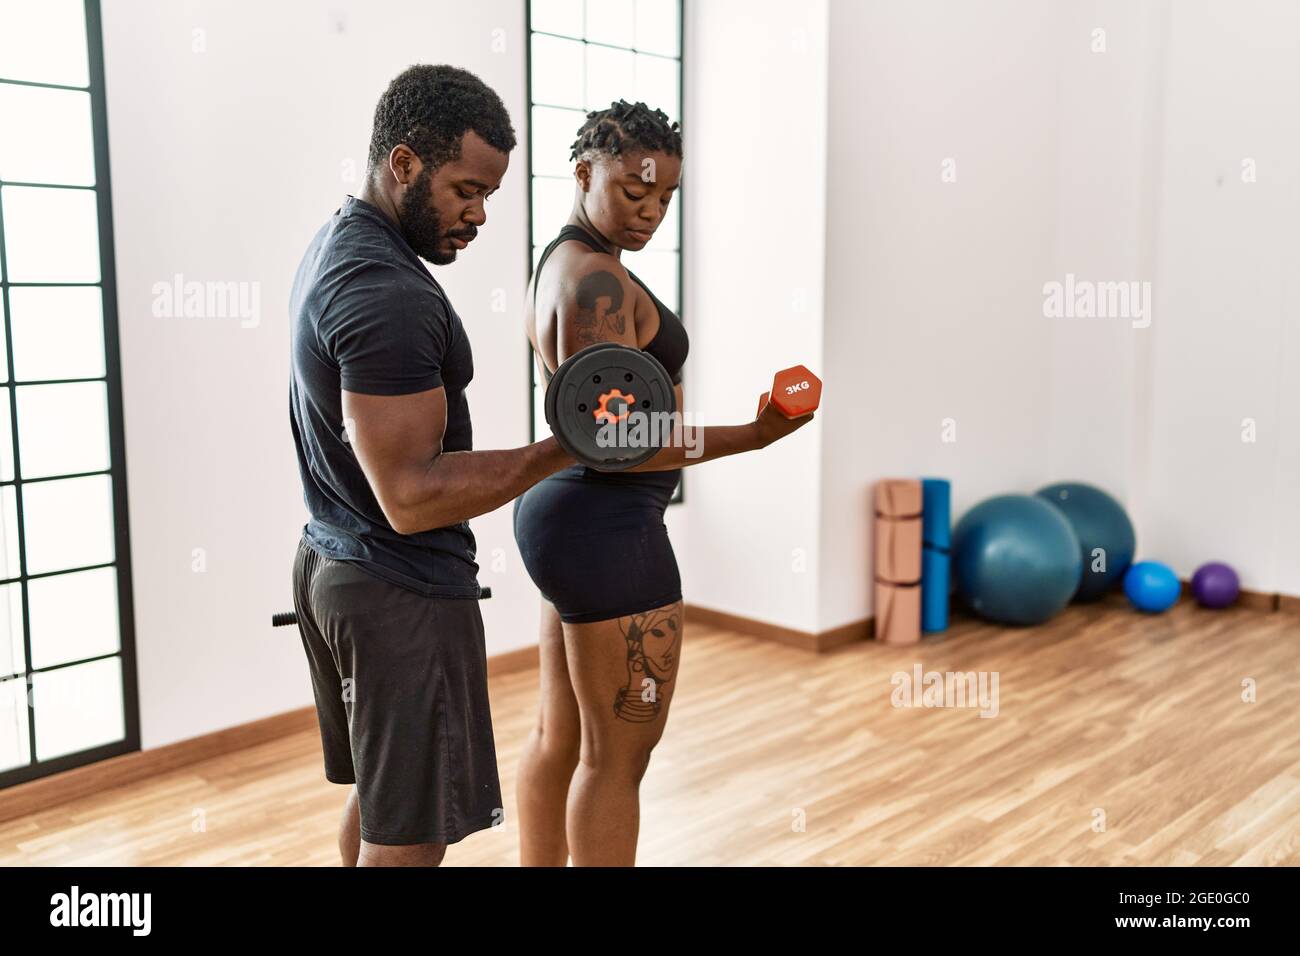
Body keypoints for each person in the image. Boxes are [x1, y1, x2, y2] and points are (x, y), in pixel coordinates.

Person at [513, 100, 814, 866]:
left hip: (565, 519)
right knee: (617, 764)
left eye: (664, 198)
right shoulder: (597, 287)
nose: (648, 213)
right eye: (631, 193)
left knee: (561, 735)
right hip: (607, 527)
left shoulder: (567, 263)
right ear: (583, 172)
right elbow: (623, 444)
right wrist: (757, 433)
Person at [288, 65, 573, 867]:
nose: (479, 214)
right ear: (404, 163)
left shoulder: (339, 243)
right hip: (395, 588)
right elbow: (411, 497)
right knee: (410, 843)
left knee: (388, 806)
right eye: (465, 190)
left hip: (336, 557)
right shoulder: (388, 293)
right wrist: (564, 450)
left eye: (489, 194)